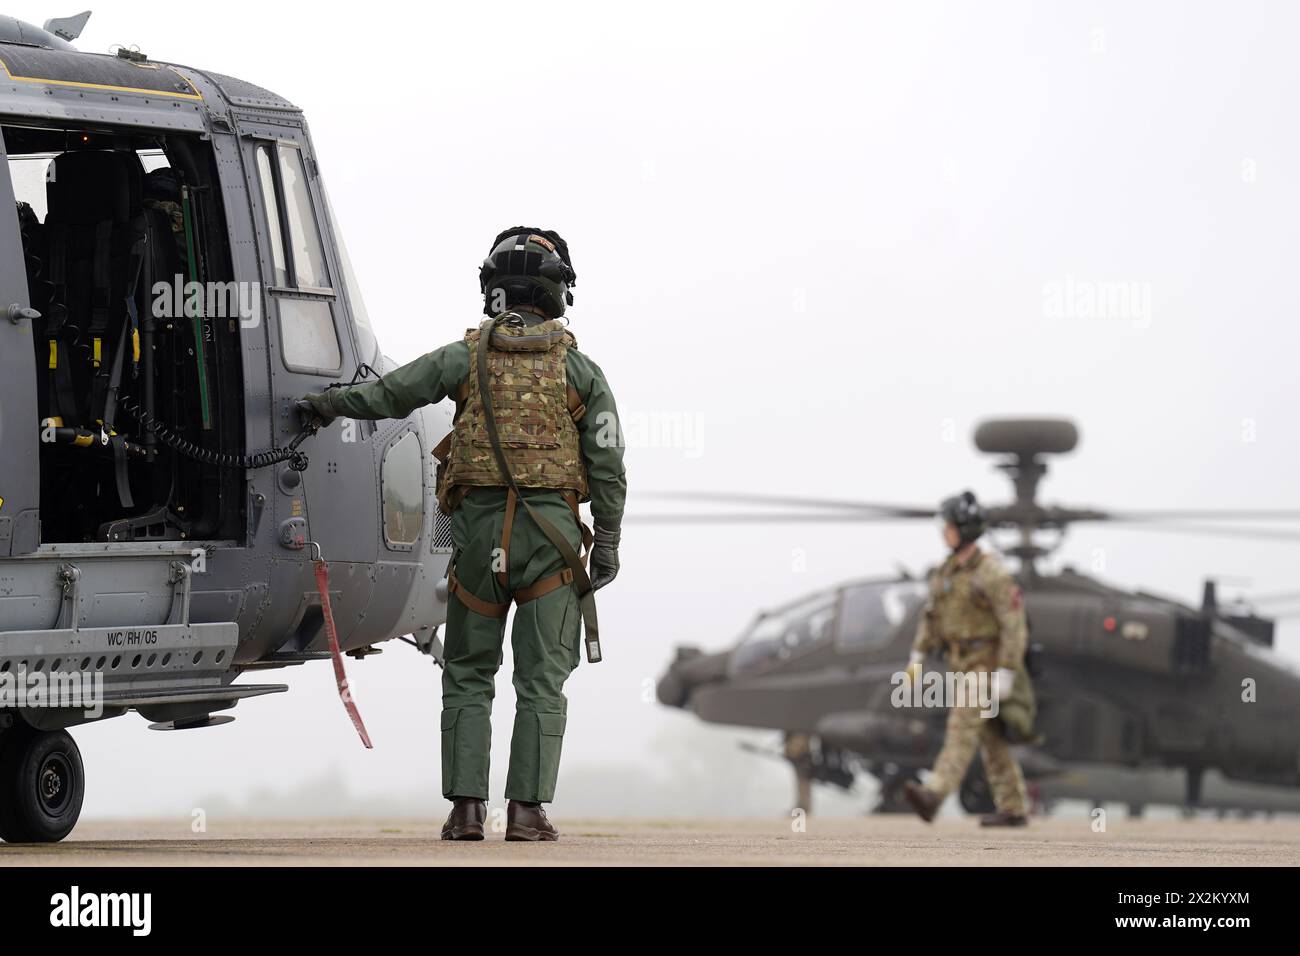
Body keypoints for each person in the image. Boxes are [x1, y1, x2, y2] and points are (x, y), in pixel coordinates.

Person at [299, 227, 626, 842]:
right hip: (552, 545)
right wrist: (605, 542)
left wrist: (327, 405)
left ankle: (466, 812)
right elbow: (607, 464)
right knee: (541, 680)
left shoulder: (464, 359)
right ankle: (527, 814)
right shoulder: (581, 373)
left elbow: (393, 395)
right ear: (557, 292)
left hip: (477, 541)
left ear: (494, 289)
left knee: (469, 673)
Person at [901, 491, 1030, 827]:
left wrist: (1006, 670)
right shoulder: (947, 572)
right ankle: (1013, 808)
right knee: (991, 739)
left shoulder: (992, 574)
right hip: (959, 663)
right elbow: (932, 618)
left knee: (961, 729)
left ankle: (934, 794)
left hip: (984, 665)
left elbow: (1013, 626)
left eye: (949, 526)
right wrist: (918, 654)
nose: (944, 532)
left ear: (964, 529)